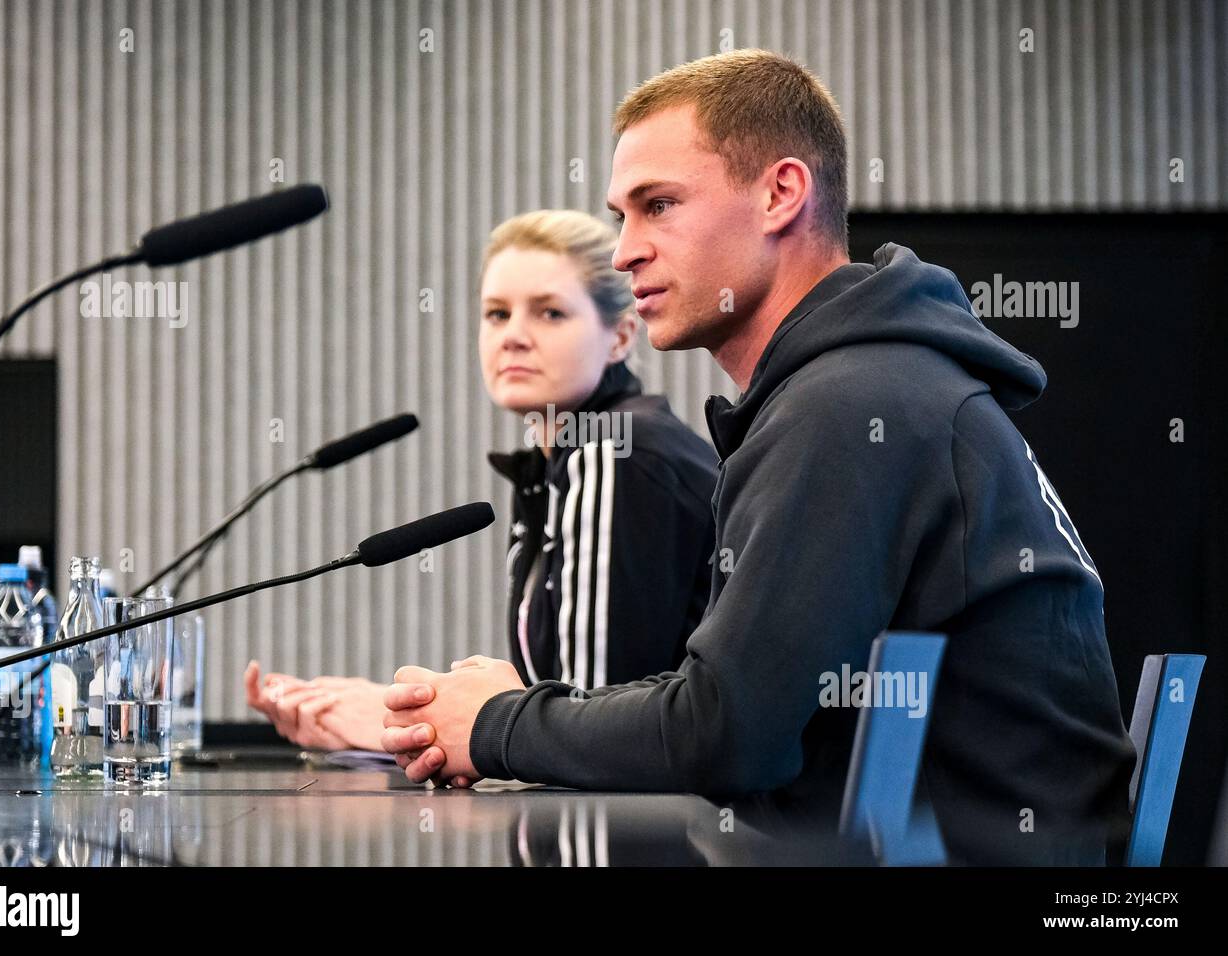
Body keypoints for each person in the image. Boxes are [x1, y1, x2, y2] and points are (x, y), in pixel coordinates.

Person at [379, 49, 1136, 865]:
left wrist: (496, 723)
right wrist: (505, 711)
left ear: (780, 194)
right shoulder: (858, 385)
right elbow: (733, 706)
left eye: (658, 206)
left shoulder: (850, 405)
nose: (626, 250)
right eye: (621, 214)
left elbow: (727, 733)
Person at [245, 210, 717, 752]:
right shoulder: (563, 463)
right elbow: (557, 710)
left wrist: (395, 722)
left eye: (550, 313)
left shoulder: (613, 451)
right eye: (496, 314)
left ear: (620, 336)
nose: (513, 336)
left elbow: (588, 718)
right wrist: (401, 712)